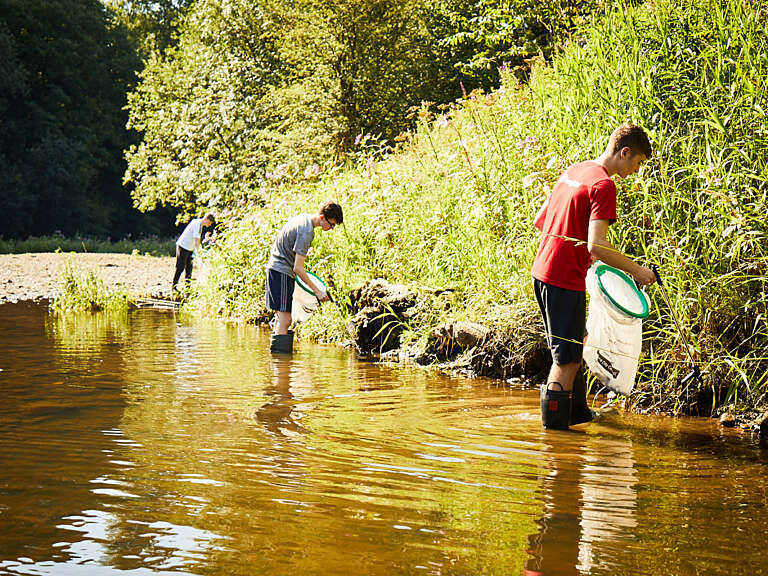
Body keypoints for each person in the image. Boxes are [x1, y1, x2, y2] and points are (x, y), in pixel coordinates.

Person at [531, 123, 656, 430]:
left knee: (576, 343)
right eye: (638, 162)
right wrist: (638, 271)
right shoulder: (604, 185)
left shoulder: (577, 170)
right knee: (567, 361)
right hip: (563, 280)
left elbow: (540, 219)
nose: (636, 171)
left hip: (543, 272)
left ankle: (578, 414)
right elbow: (597, 245)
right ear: (624, 152)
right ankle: (557, 440)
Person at [265, 201, 343, 352]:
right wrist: (318, 292)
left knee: (281, 320)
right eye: (331, 224)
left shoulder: (303, 218)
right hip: (281, 271)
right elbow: (298, 268)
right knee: (286, 320)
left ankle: (278, 365)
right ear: (322, 217)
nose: (331, 228)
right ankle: (281, 365)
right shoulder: (307, 231)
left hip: (277, 269)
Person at [172, 213, 216, 291]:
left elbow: (197, 241)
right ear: (206, 219)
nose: (209, 225)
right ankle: (174, 287)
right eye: (209, 223)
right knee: (180, 267)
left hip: (189, 248)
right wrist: (199, 253)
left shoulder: (199, 224)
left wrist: (199, 251)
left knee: (189, 268)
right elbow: (197, 240)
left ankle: (187, 288)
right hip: (183, 246)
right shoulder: (197, 224)